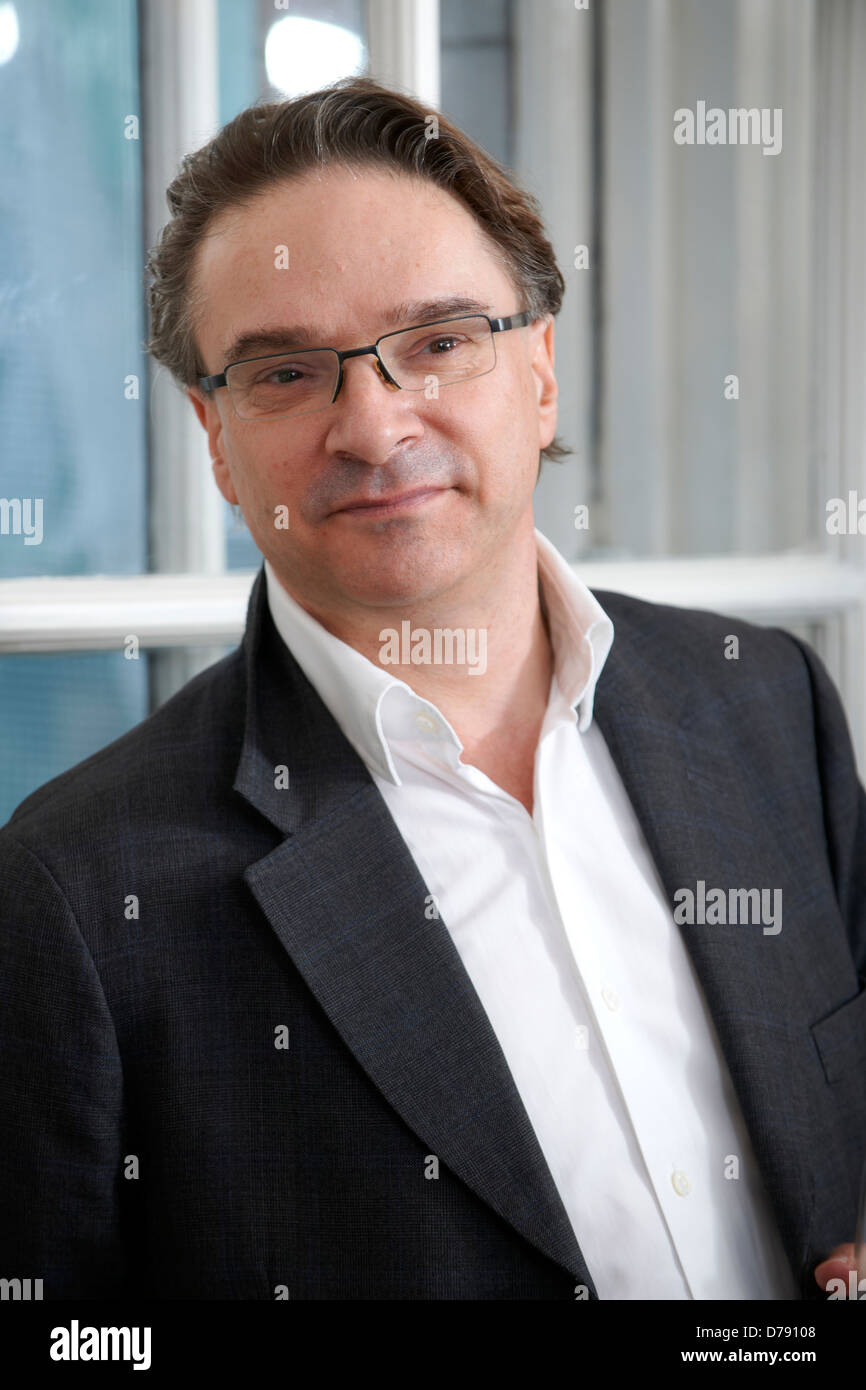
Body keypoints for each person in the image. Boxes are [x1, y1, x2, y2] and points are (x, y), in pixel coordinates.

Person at [1, 77, 863, 1302]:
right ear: (213, 439)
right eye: (287, 373)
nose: (372, 421)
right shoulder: (80, 895)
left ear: (541, 370)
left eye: (439, 342)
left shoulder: (764, 702)